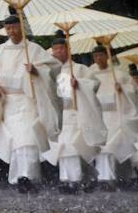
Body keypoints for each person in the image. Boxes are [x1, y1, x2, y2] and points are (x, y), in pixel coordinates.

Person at [0, 11, 58, 193]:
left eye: (14, 27)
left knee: (28, 138)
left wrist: (36, 71)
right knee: (17, 141)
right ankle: (20, 178)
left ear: (21, 27)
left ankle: (29, 176)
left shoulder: (33, 49)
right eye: (8, 28)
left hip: (28, 100)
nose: (11, 31)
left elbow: (52, 70)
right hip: (8, 102)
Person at [42, 44, 106, 193]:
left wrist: (79, 84)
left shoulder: (80, 69)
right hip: (61, 113)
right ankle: (67, 179)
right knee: (63, 147)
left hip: (76, 112)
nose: (58, 51)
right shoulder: (51, 71)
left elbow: (95, 84)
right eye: (55, 49)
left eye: (61, 48)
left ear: (68, 50)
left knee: (74, 146)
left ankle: (76, 179)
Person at [83, 44, 138, 189]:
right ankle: (107, 177)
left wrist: (121, 90)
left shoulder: (119, 74)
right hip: (97, 115)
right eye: (96, 56)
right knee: (101, 148)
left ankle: (108, 178)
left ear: (107, 56)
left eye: (101, 55)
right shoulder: (90, 73)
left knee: (111, 147)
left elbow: (133, 92)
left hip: (114, 115)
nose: (98, 58)